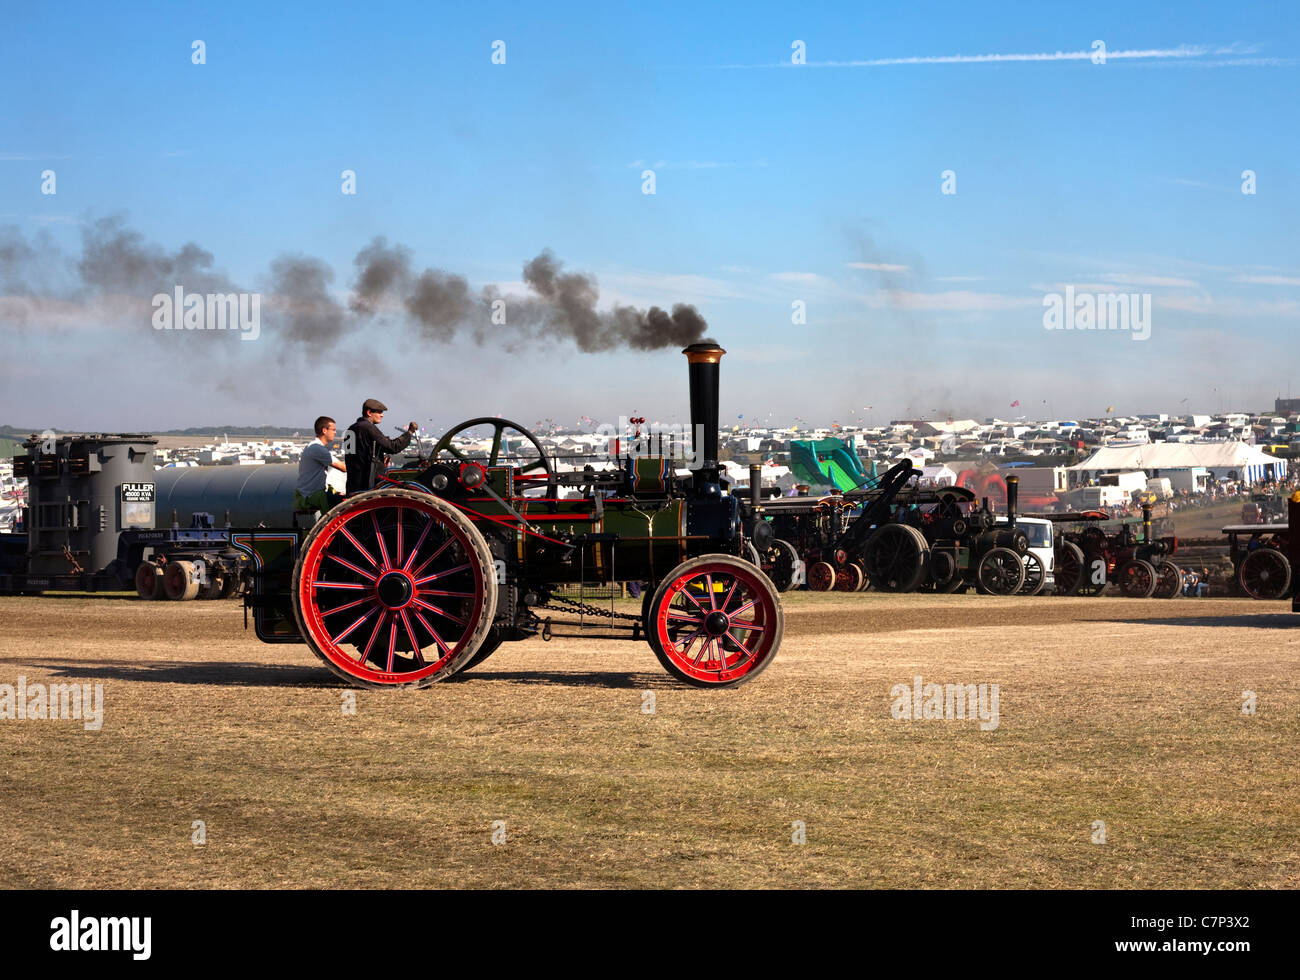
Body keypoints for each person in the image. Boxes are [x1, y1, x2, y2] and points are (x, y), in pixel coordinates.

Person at [345, 398, 418, 495]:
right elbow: (392, 447)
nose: (382, 415)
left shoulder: (350, 430)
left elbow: (353, 458)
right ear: (369, 412)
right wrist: (409, 433)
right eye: (379, 412)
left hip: (353, 485)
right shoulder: (368, 427)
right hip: (368, 484)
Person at [295, 416, 347, 514]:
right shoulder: (317, 449)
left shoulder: (313, 446)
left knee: (339, 497)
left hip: (308, 493)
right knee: (347, 501)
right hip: (312, 495)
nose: (335, 432)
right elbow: (343, 468)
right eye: (333, 430)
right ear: (324, 430)